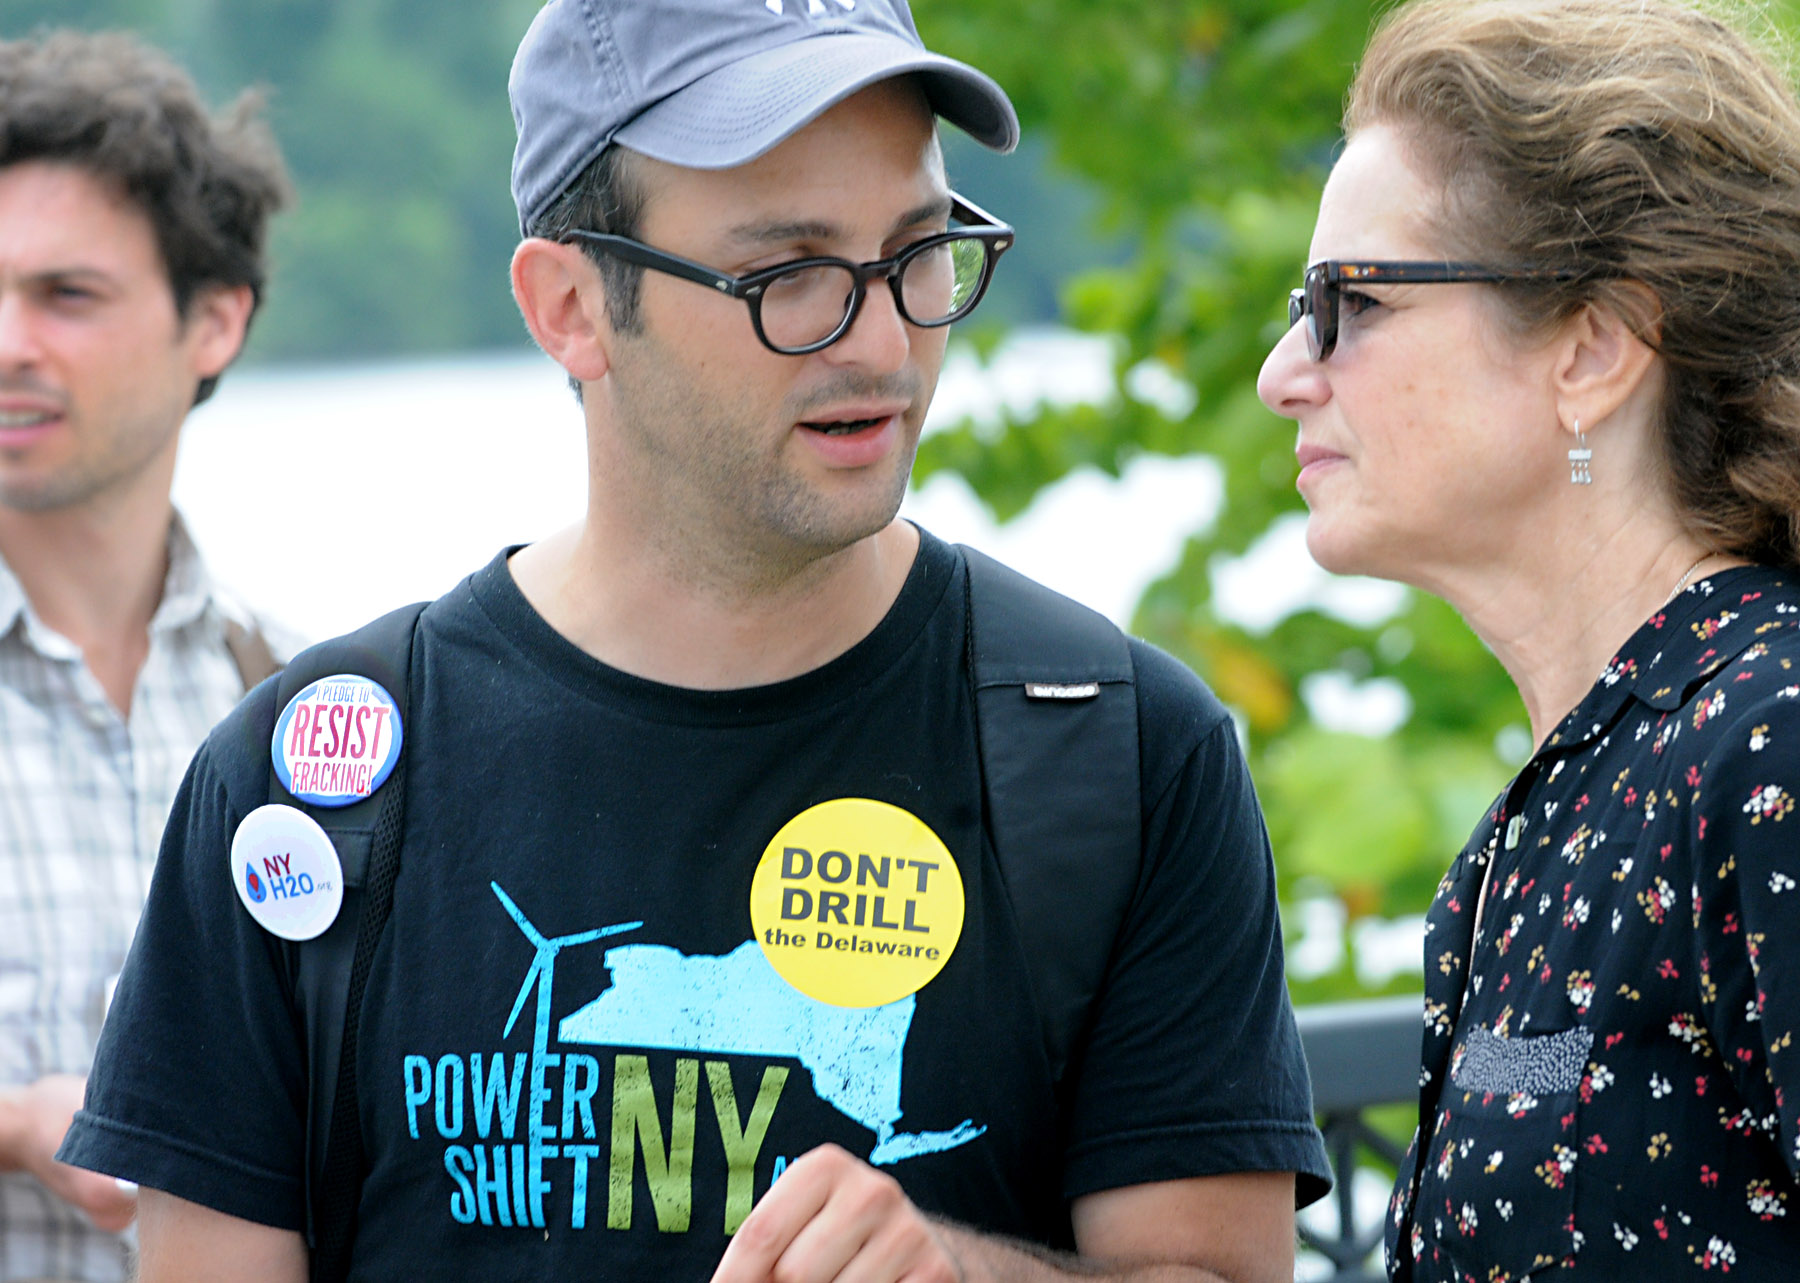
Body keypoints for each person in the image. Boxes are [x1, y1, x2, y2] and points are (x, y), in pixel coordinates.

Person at [58, 0, 1330, 1279]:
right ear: (570, 307)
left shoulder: (1118, 748)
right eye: (789, 277)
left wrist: (960, 1271)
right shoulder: (309, 782)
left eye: (920, 251)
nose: (884, 342)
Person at [1256, 0, 1800, 1277]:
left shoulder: (1769, 746)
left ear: (1596, 347)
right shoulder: (1555, 810)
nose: (1287, 368)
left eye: (1353, 301)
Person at [0, 29, 292, 1283]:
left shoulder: (297, 705)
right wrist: (17, 1123)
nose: (7, 340)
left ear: (214, 321)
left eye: (66, 295)